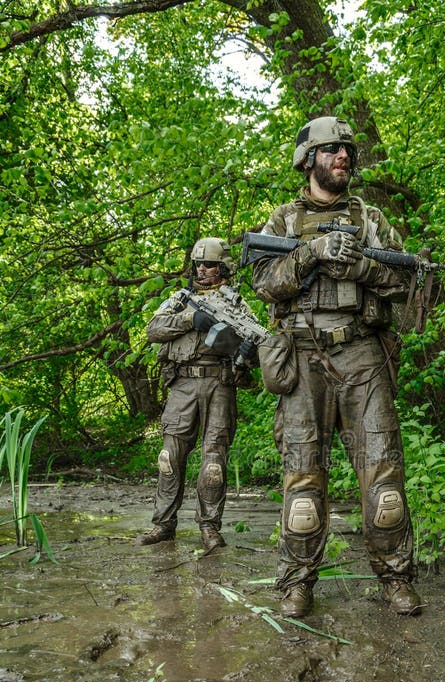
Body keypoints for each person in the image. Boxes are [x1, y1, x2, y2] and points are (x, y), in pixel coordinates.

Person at [252, 116, 422, 619]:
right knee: (303, 479)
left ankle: (395, 576)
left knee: (384, 477)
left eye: (347, 150)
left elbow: (406, 282)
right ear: (308, 160)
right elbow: (264, 284)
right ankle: (297, 582)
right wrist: (311, 254)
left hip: (363, 356)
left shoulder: (371, 220)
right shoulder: (283, 221)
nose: (343, 156)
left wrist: (362, 267)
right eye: (331, 150)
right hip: (303, 358)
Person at [138, 237, 253, 551]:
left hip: (220, 384)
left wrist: (247, 353)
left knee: (213, 462)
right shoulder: (180, 299)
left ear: (223, 268)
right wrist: (190, 319)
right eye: (199, 264)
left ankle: (209, 527)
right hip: (183, 383)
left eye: (210, 264)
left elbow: (256, 346)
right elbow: (153, 330)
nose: (202, 269)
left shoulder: (237, 304)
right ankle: (163, 525)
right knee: (169, 457)